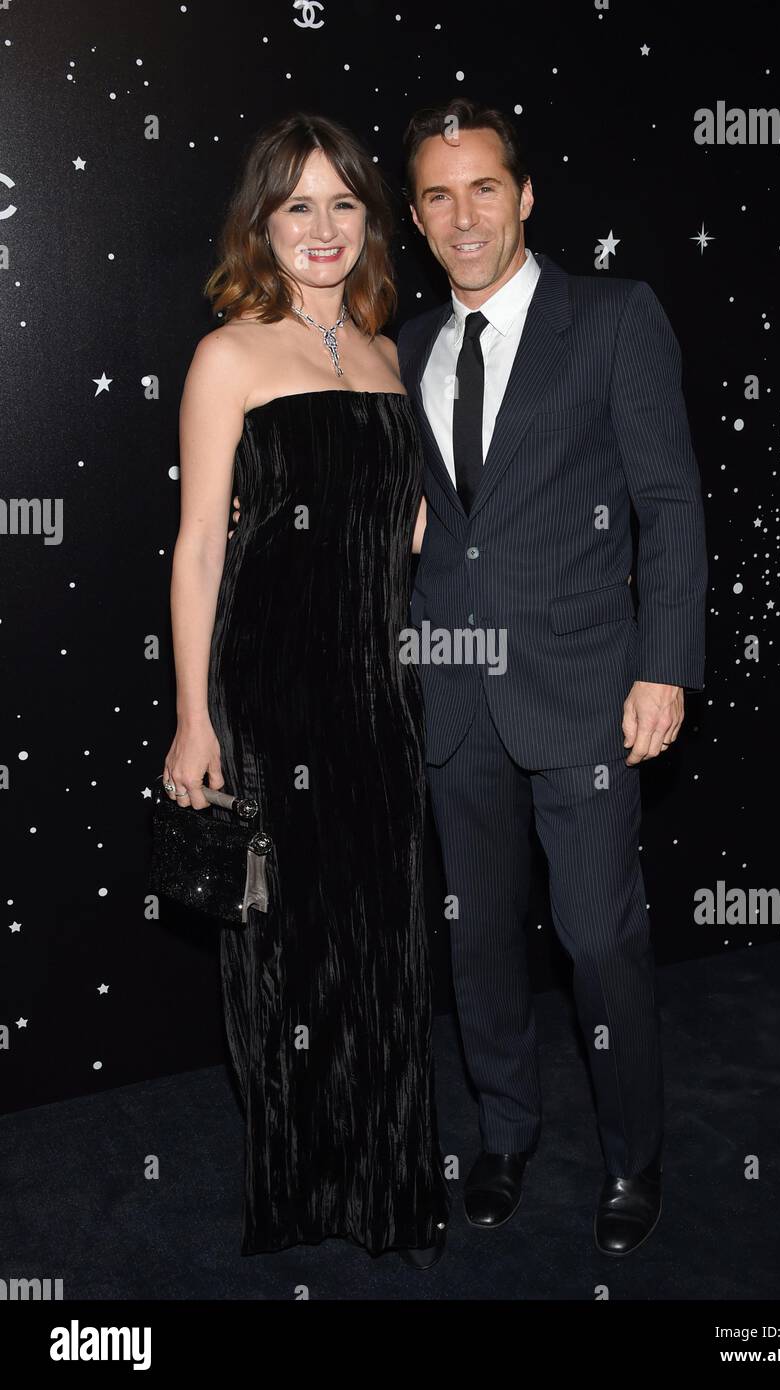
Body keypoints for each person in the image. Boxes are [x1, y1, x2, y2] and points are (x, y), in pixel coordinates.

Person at [395, 98, 708, 1255]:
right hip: (450, 688)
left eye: (483, 188)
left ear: (523, 197)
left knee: (595, 937)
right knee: (474, 938)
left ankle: (633, 1156)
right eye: (437, 194)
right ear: (416, 215)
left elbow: (668, 503)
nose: (462, 214)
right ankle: (506, 1130)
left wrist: (664, 665)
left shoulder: (614, 318)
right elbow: (429, 519)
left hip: (583, 681)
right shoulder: (408, 344)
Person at [160, 110, 449, 1269]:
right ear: (262, 225)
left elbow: (408, 523)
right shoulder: (229, 353)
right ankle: (302, 1179)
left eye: (342, 204)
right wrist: (193, 718)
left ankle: (380, 1180)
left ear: (369, 221)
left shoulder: (385, 352)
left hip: (375, 696)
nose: (322, 229)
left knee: (379, 943)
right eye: (297, 207)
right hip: (271, 694)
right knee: (288, 949)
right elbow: (194, 551)